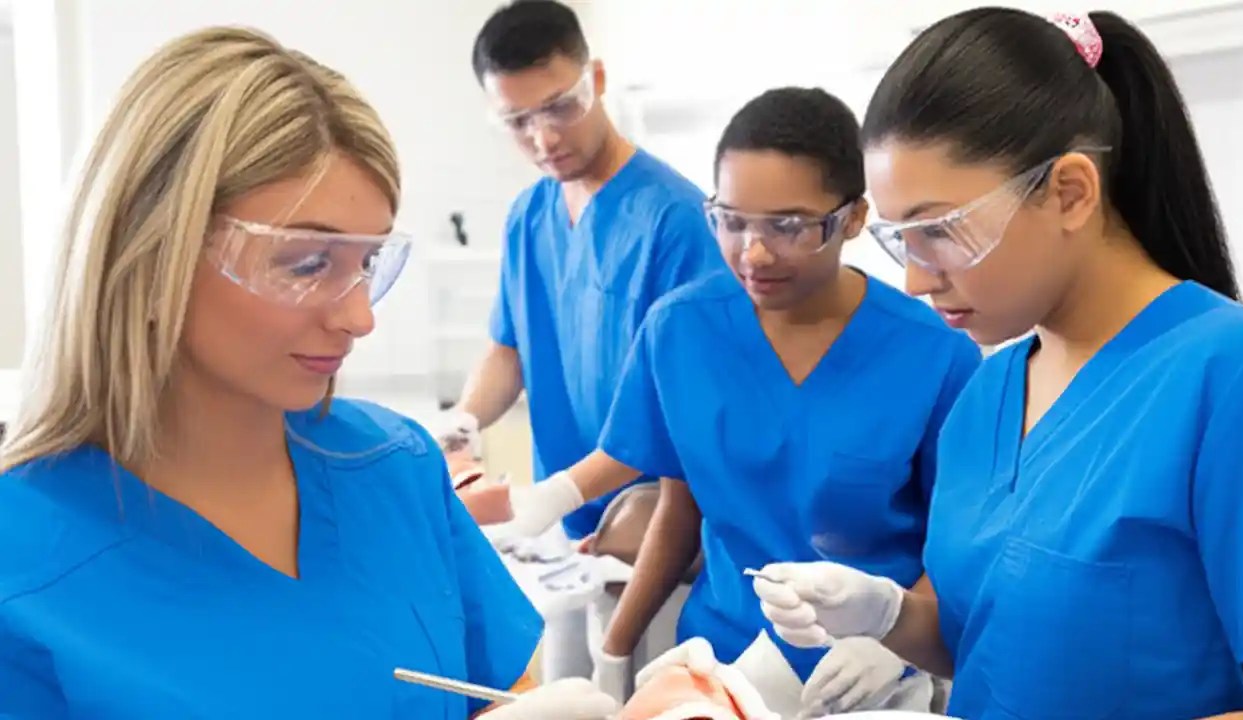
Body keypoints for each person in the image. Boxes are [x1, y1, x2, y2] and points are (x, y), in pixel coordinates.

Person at [0, 26, 618, 720]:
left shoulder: (395, 469)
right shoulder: (20, 564)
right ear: (150, 260)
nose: (359, 318)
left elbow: (496, 691)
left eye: (366, 265)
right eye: (305, 265)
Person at [750, 9, 1243, 720]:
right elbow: (987, 641)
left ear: (1069, 193)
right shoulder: (989, 390)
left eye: (938, 231)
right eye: (898, 239)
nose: (913, 280)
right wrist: (887, 617)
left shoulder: (1239, 376)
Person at [503, 87, 981, 716]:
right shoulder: (681, 331)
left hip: (870, 680)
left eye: (787, 226)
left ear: (854, 218)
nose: (753, 253)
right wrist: (616, 655)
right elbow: (680, 508)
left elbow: (961, 545)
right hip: (719, 669)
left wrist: (895, 641)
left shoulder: (935, 354)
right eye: (731, 220)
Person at [442, 0, 723, 681]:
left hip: (655, 530)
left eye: (559, 106)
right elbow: (509, 347)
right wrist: (466, 420)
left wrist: (565, 493)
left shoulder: (675, 220)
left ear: (594, 78)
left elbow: (682, 410)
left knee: (637, 679)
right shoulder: (529, 214)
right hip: (561, 528)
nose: (543, 137)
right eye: (517, 121)